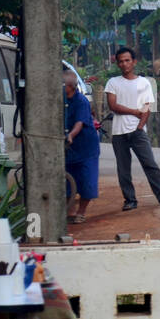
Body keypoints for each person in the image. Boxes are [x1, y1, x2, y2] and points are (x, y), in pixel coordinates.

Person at [104, 46, 160, 211]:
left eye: (127, 60)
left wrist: (139, 127)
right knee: (123, 169)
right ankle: (130, 200)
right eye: (121, 61)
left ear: (134, 62)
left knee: (149, 163)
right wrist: (134, 111)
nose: (125, 64)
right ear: (117, 64)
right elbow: (113, 106)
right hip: (119, 133)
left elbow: (147, 107)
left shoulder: (144, 82)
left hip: (138, 132)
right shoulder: (113, 83)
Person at [63, 70, 99, 223]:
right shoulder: (61, 100)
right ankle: (68, 211)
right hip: (69, 149)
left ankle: (81, 212)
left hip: (85, 147)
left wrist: (70, 135)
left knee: (87, 181)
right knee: (67, 182)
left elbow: (79, 124)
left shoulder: (81, 101)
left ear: (71, 86)